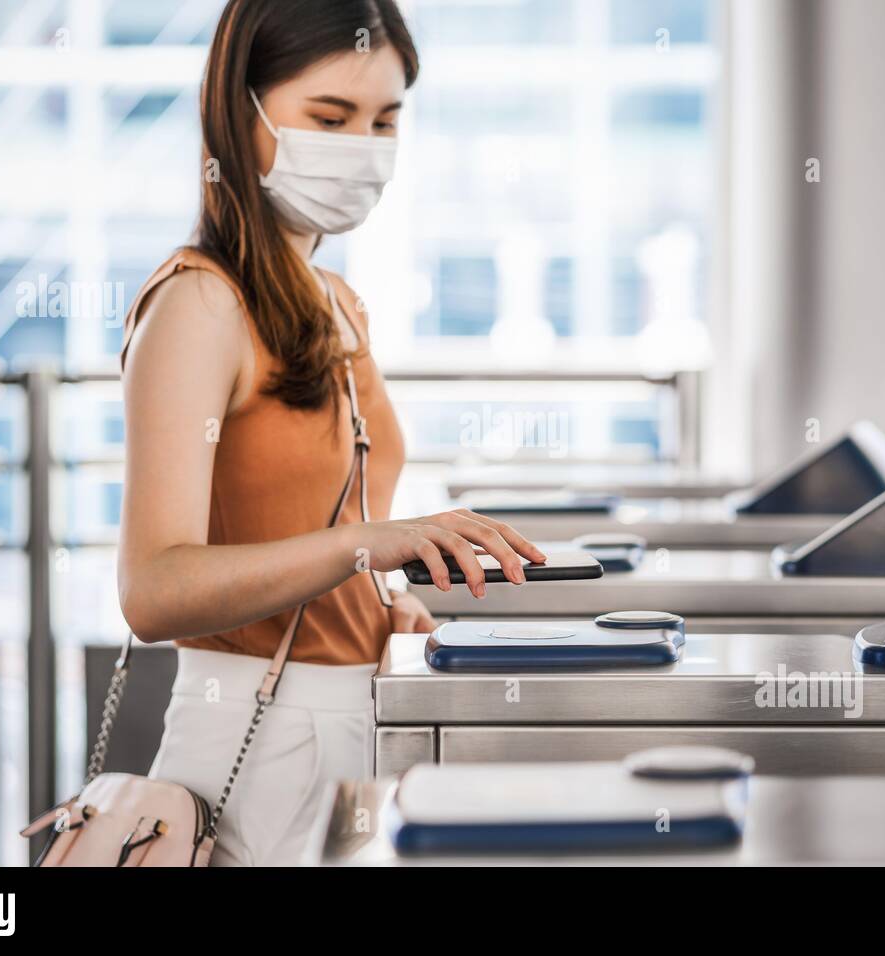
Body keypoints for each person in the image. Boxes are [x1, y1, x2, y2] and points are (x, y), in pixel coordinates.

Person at [117, 0, 544, 865]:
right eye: (330, 116)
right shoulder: (199, 304)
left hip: (355, 727)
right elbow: (153, 591)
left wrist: (380, 603)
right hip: (253, 749)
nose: (363, 146)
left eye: (385, 121)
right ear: (241, 111)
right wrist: (368, 547)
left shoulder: (336, 301)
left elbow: (320, 531)